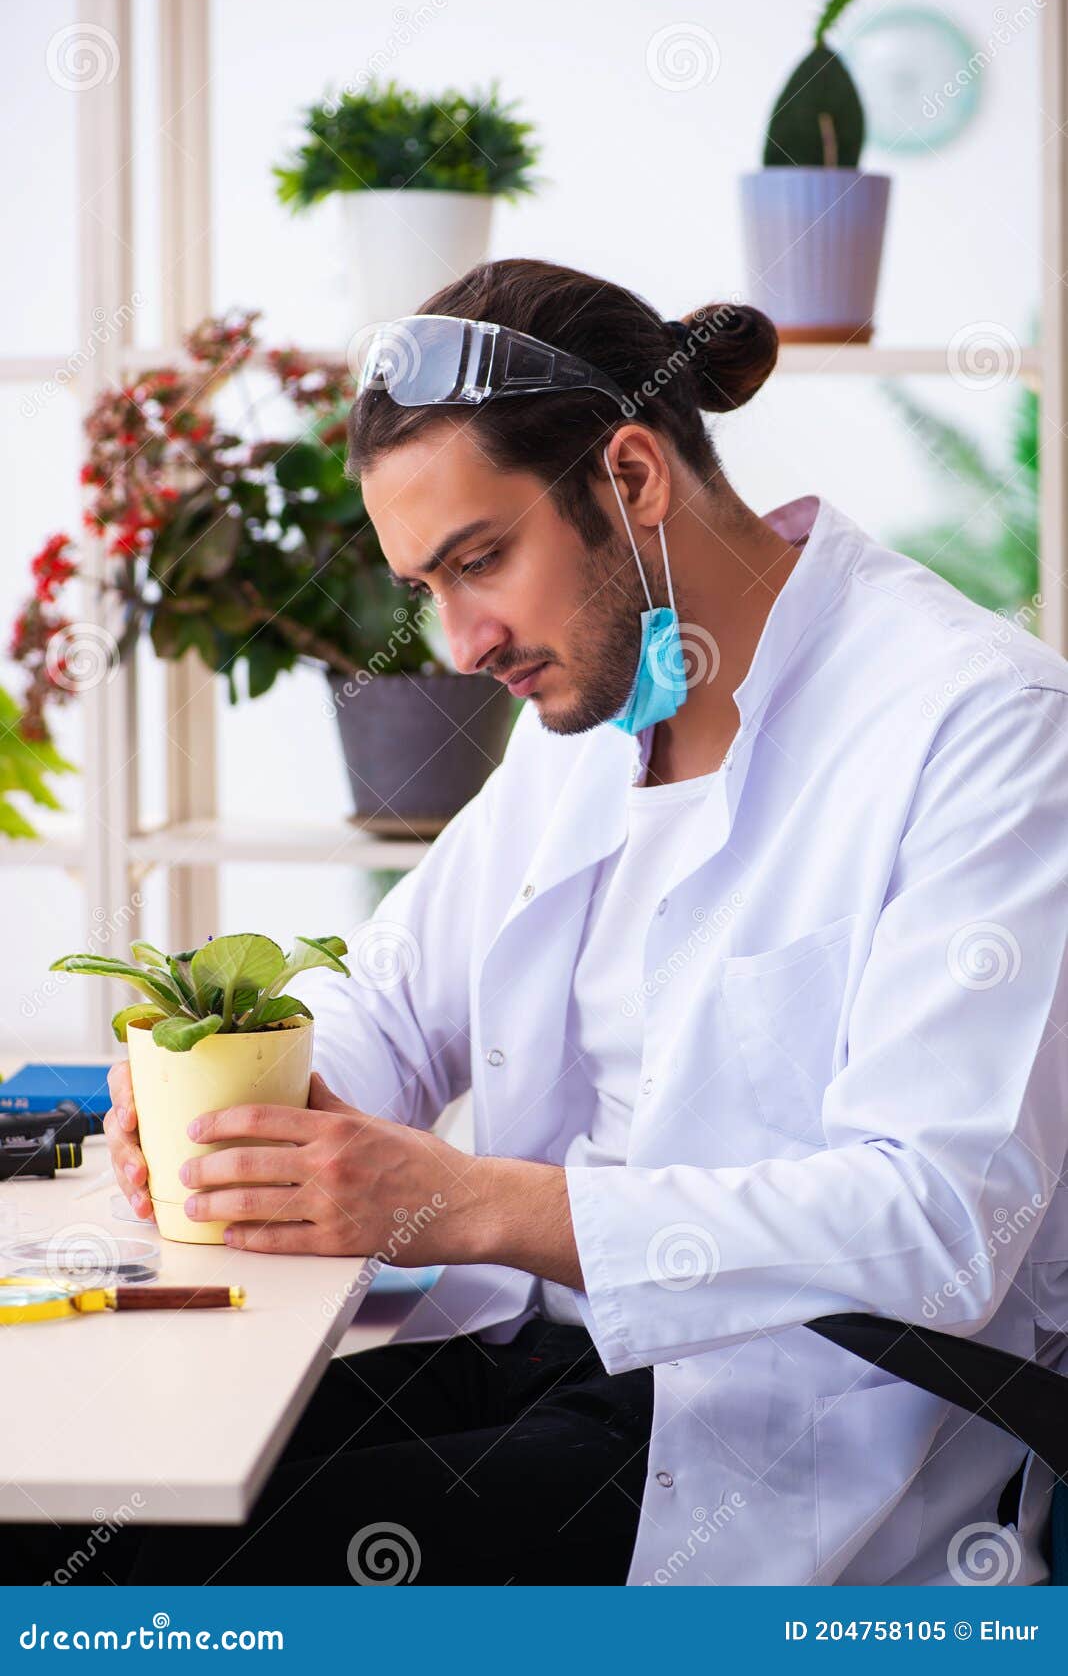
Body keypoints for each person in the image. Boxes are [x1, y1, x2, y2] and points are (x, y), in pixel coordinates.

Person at [40, 259, 1068, 1583]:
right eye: (428, 585)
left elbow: (941, 1221)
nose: (462, 642)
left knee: (164, 1575)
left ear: (631, 479)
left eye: (480, 561)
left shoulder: (981, 725)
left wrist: (469, 1201)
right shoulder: (598, 705)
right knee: (73, 1511)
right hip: (549, 1355)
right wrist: (239, 1096)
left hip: (793, 1441)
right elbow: (390, 995)